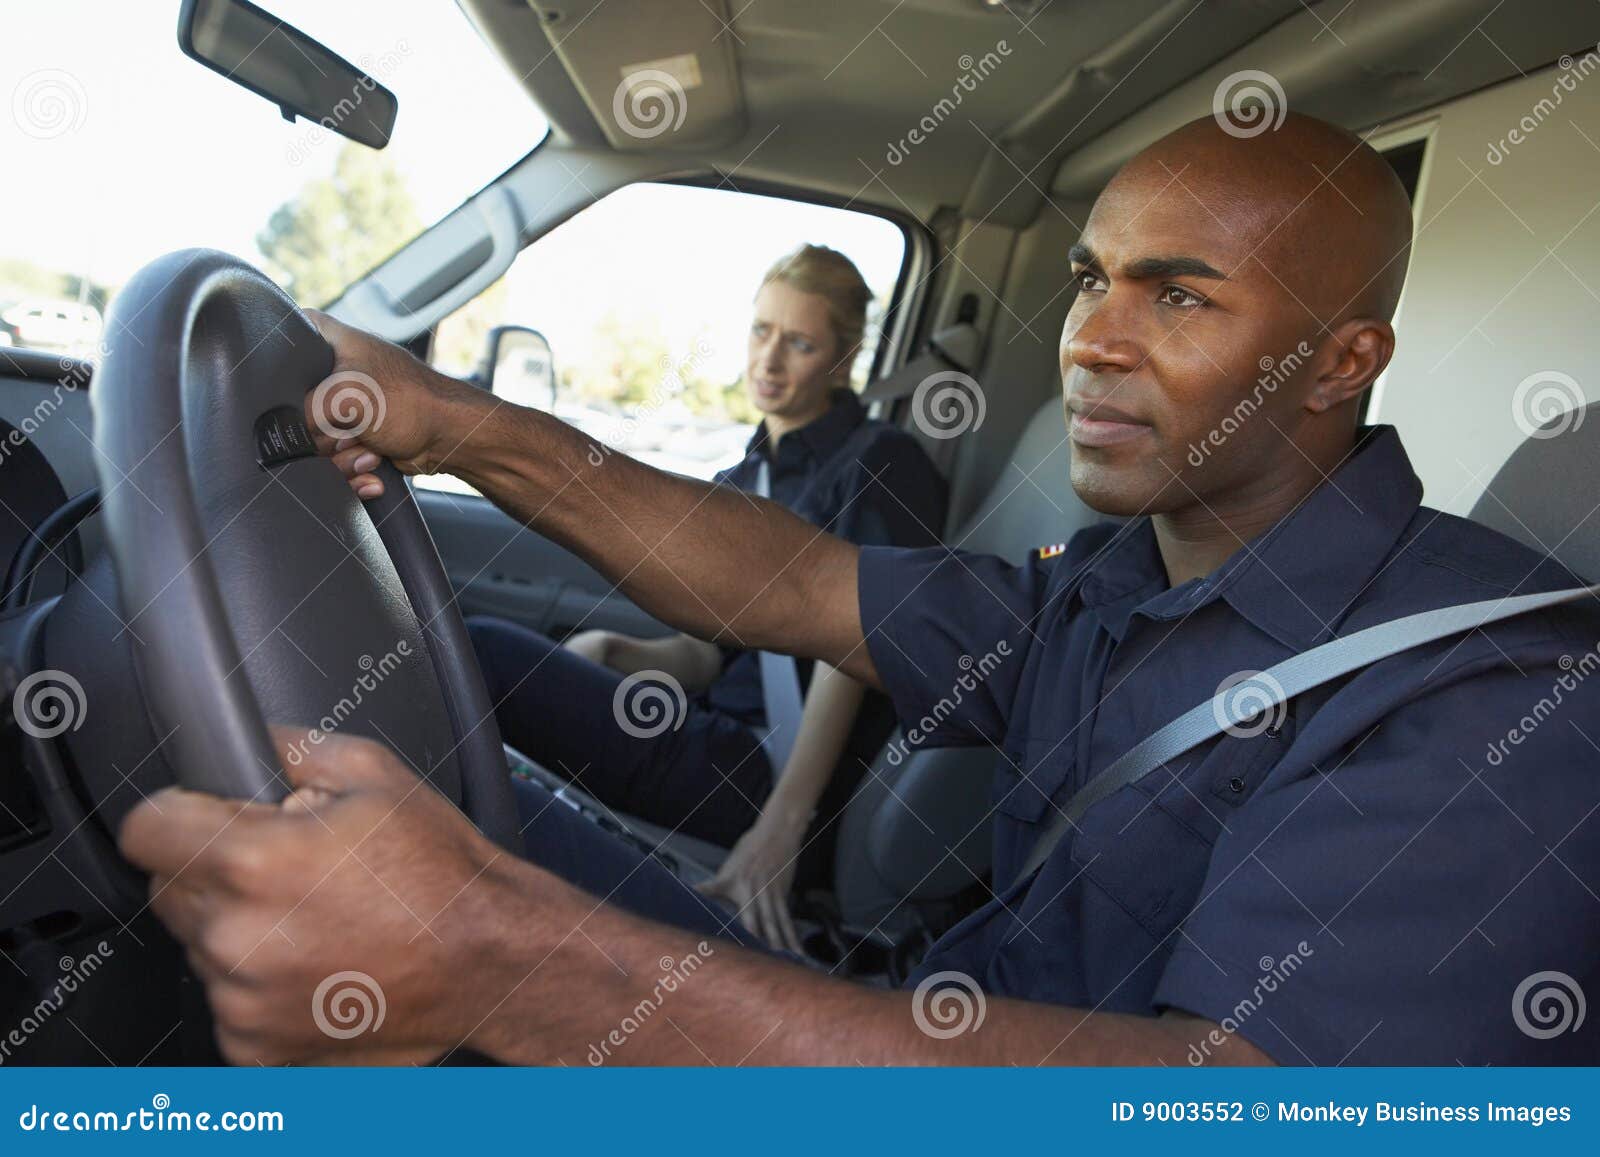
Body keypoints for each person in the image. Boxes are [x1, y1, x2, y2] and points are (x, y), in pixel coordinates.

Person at [119, 112, 1600, 1066]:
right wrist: (469, 424)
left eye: (1182, 293)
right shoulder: (1116, 579)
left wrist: (509, 956)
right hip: (902, 999)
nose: (1091, 338)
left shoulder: (1492, 700)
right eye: (1091, 279)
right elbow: (800, 581)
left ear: (1343, 362)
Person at [463, 245, 947, 951]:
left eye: (801, 342)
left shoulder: (881, 462)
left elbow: (864, 636)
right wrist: (617, 652)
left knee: (483, 650)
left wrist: (781, 826)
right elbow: (706, 651)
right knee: (517, 665)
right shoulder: (739, 475)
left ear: (843, 361)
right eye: (761, 331)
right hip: (718, 734)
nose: (770, 360)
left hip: (779, 777)